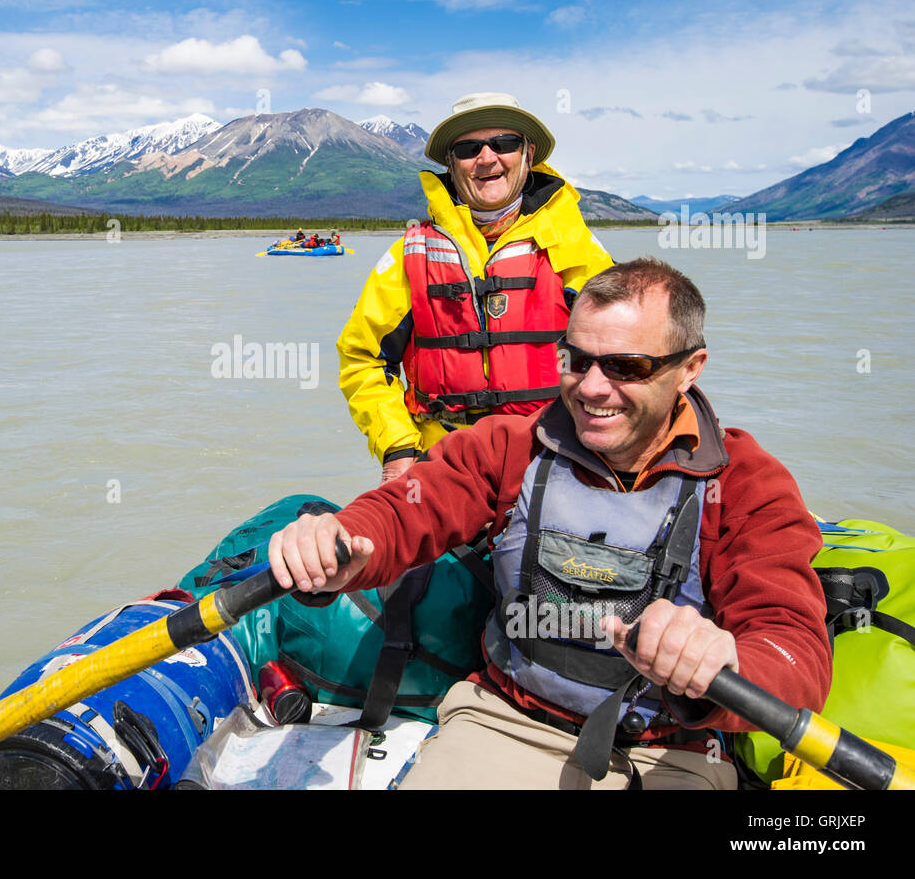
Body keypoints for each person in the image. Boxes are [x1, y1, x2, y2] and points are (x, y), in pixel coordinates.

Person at [270, 259, 831, 789]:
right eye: (577, 359)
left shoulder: (747, 484)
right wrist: (339, 538)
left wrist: (724, 660)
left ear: (690, 368)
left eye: (625, 367)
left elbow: (794, 650)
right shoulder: (510, 445)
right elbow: (407, 506)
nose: (590, 387)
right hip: (505, 718)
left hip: (670, 749)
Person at [338, 93, 615, 484]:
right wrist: (398, 449)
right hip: (441, 467)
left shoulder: (576, 246)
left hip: (558, 464)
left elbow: (627, 356)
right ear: (451, 165)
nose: (487, 158)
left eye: (504, 144)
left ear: (528, 154)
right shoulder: (409, 255)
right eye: (469, 149)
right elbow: (361, 358)